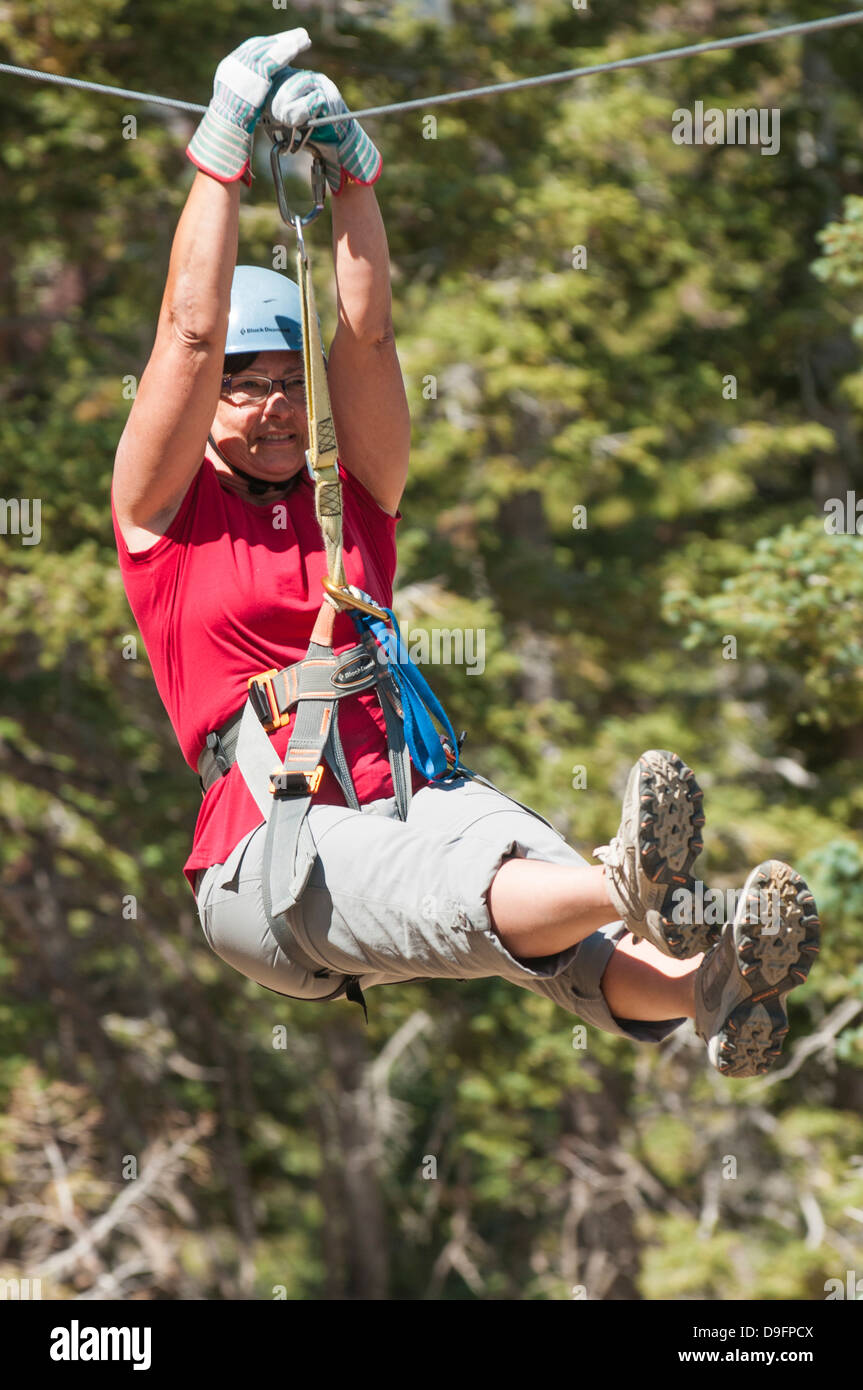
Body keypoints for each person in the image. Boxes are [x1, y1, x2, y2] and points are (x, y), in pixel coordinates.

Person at [111, 30, 820, 1078]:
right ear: (207, 402)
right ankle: (634, 881)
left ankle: (701, 993)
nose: (267, 407)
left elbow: (367, 340)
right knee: (478, 886)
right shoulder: (161, 521)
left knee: (535, 891)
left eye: (284, 383)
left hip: (400, 782)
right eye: (241, 386)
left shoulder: (346, 500)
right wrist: (219, 154)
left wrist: (355, 178)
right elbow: (185, 334)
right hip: (272, 846)